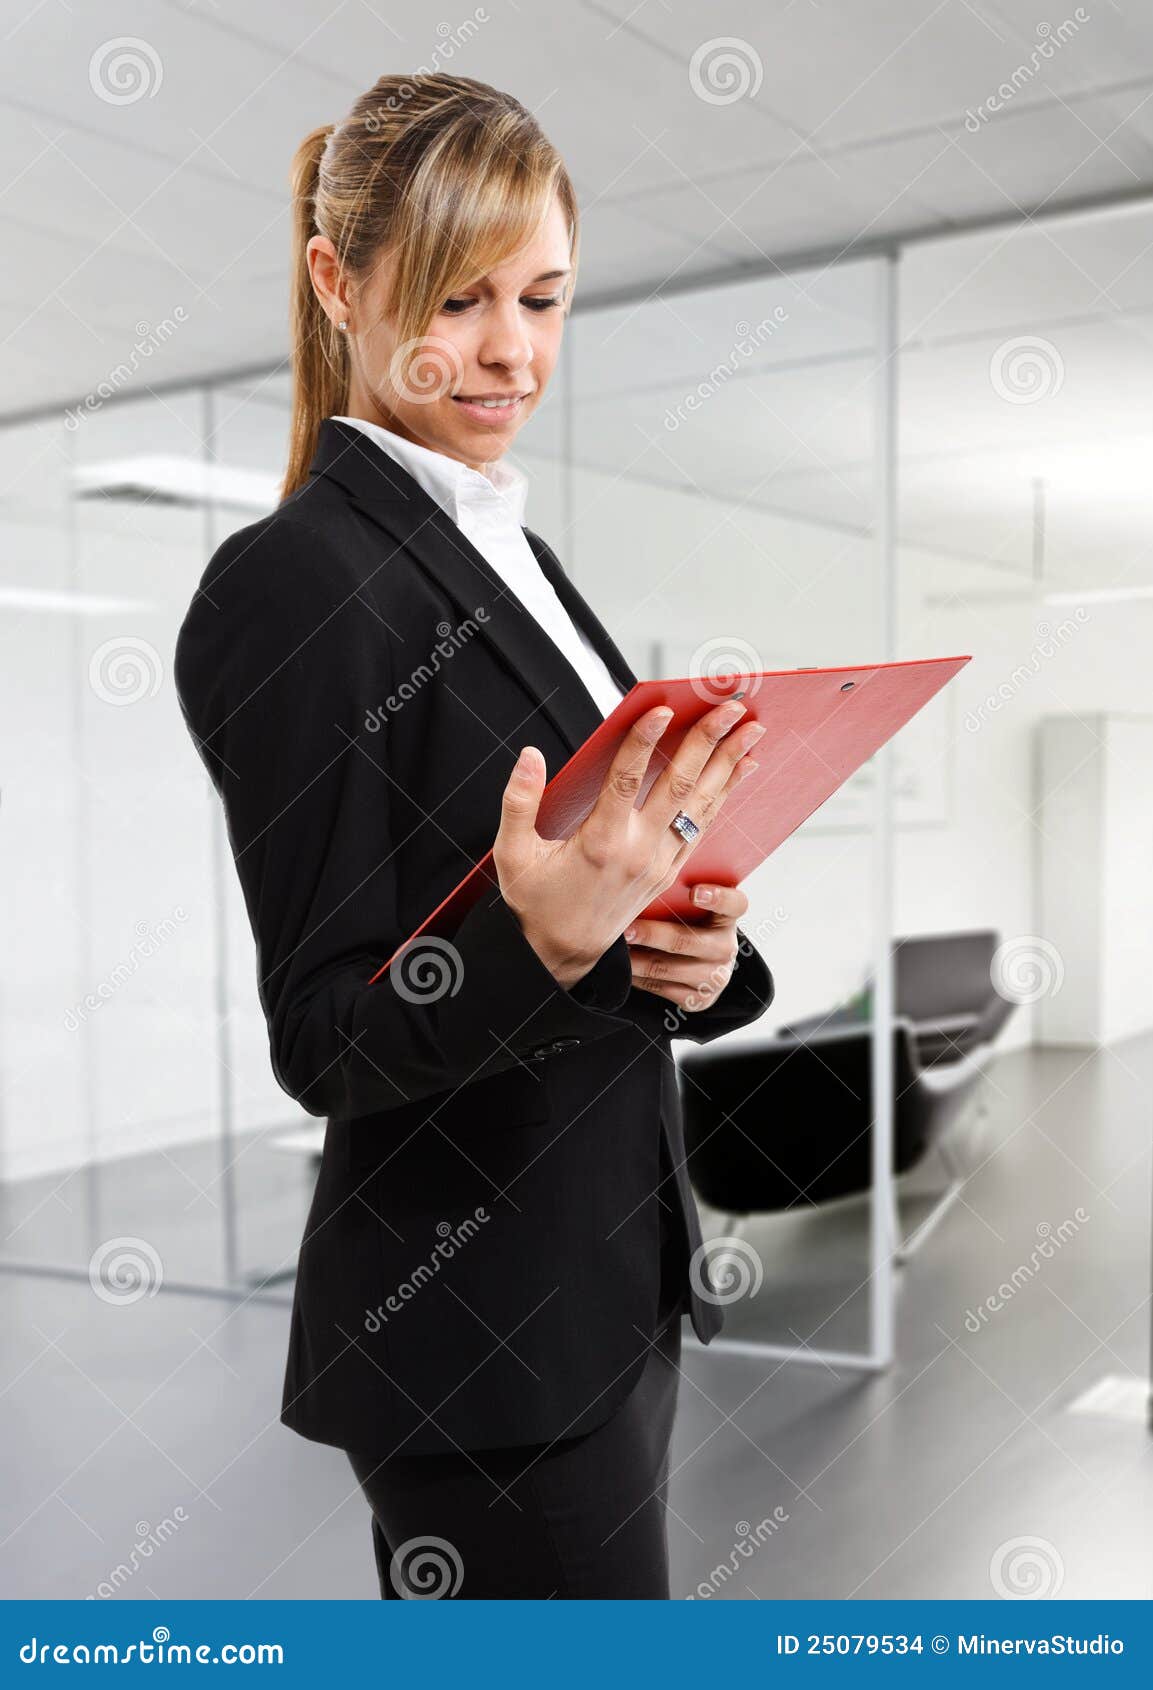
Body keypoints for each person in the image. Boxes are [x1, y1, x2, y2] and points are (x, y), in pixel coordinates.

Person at [174, 71, 774, 1601]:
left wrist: (684, 952)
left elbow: (585, 889)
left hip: (606, 1277)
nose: (511, 348)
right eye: (460, 296)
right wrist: (545, 938)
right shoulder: (293, 584)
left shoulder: (507, 543)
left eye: (546, 297)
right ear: (337, 281)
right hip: (477, 1348)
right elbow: (324, 1033)